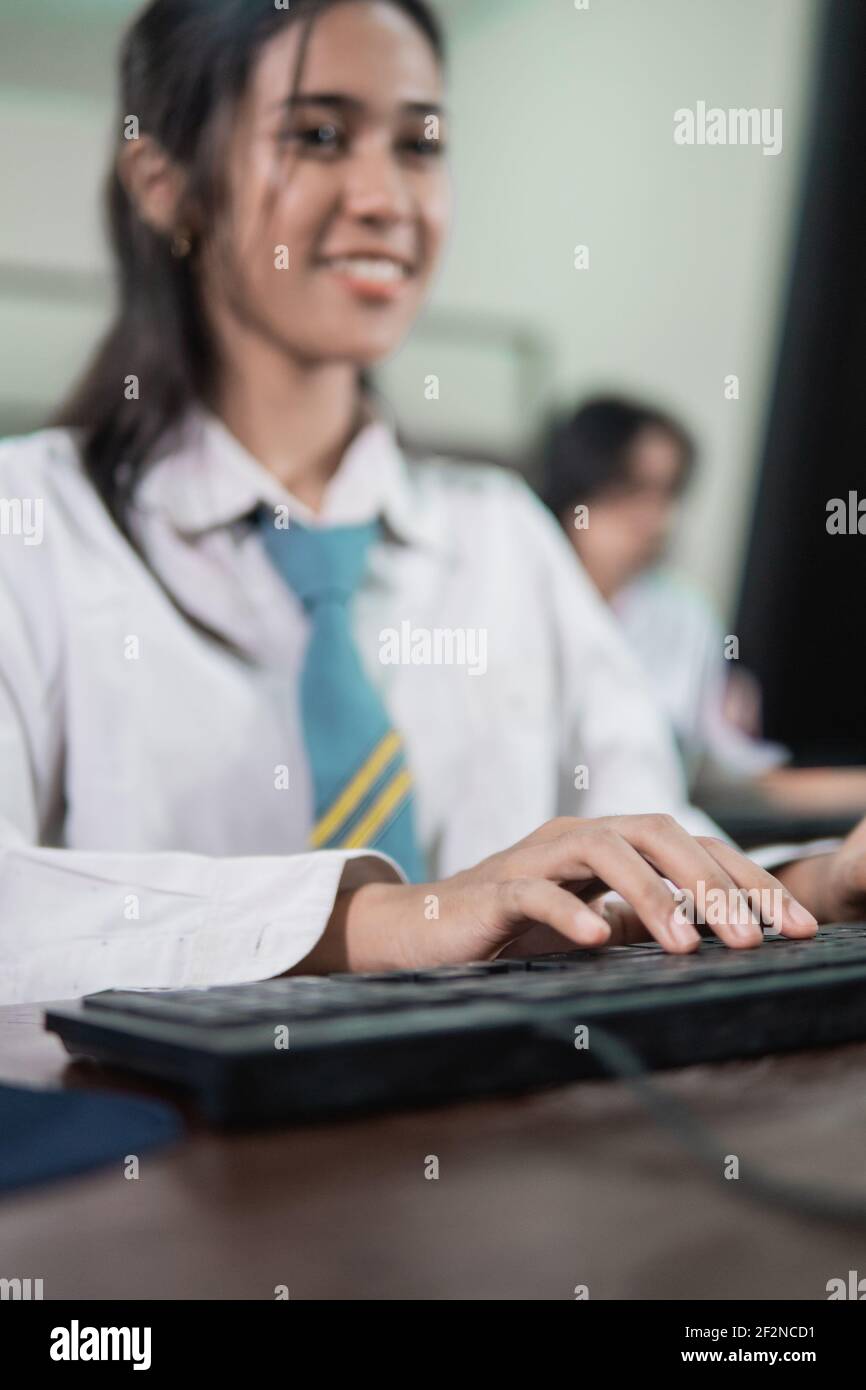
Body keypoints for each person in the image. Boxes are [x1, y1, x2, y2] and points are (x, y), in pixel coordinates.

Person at [1, 0, 862, 1009]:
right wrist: (384, 922)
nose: (384, 196)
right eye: (317, 135)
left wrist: (817, 888)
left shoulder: (501, 534)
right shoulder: (32, 521)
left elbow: (647, 849)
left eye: (418, 144)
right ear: (168, 186)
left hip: (496, 1139)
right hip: (158, 1158)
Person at [542, 395, 866, 810]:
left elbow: (752, 775)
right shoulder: (512, 596)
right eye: (632, 489)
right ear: (578, 486)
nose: (656, 518)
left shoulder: (685, 617)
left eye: (669, 493)